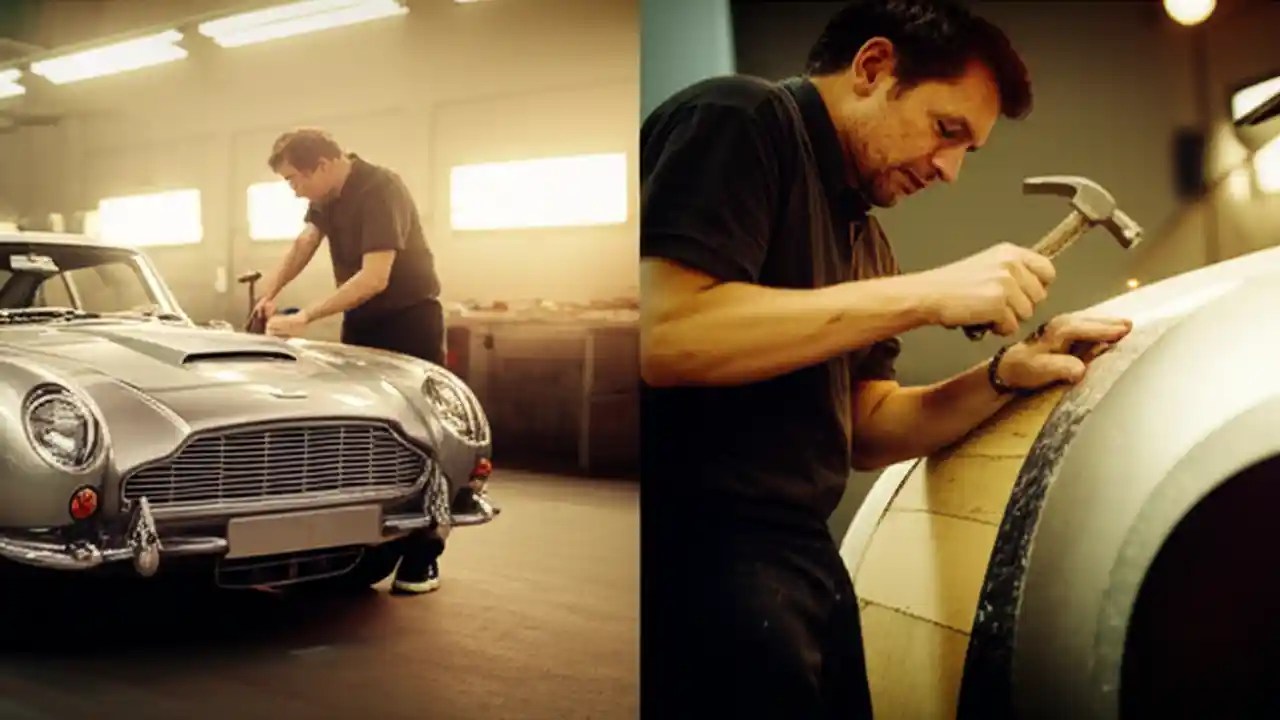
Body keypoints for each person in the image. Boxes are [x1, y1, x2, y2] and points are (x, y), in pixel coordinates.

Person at [638, 1, 1132, 717]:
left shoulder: (866, 242)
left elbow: (868, 427)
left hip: (802, 566)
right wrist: (927, 294)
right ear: (872, 68)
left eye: (968, 150)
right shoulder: (741, 119)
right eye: (946, 130)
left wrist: (1002, 374)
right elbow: (667, 333)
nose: (950, 170)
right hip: (695, 554)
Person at [251, 127, 449, 596]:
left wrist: (306, 316)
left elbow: (376, 277)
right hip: (363, 323)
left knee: (422, 435)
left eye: (295, 178)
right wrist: (270, 293)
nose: (293, 188)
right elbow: (304, 242)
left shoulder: (382, 189)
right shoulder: (327, 196)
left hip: (408, 322)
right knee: (362, 433)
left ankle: (424, 555)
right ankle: (359, 544)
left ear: (322, 164)